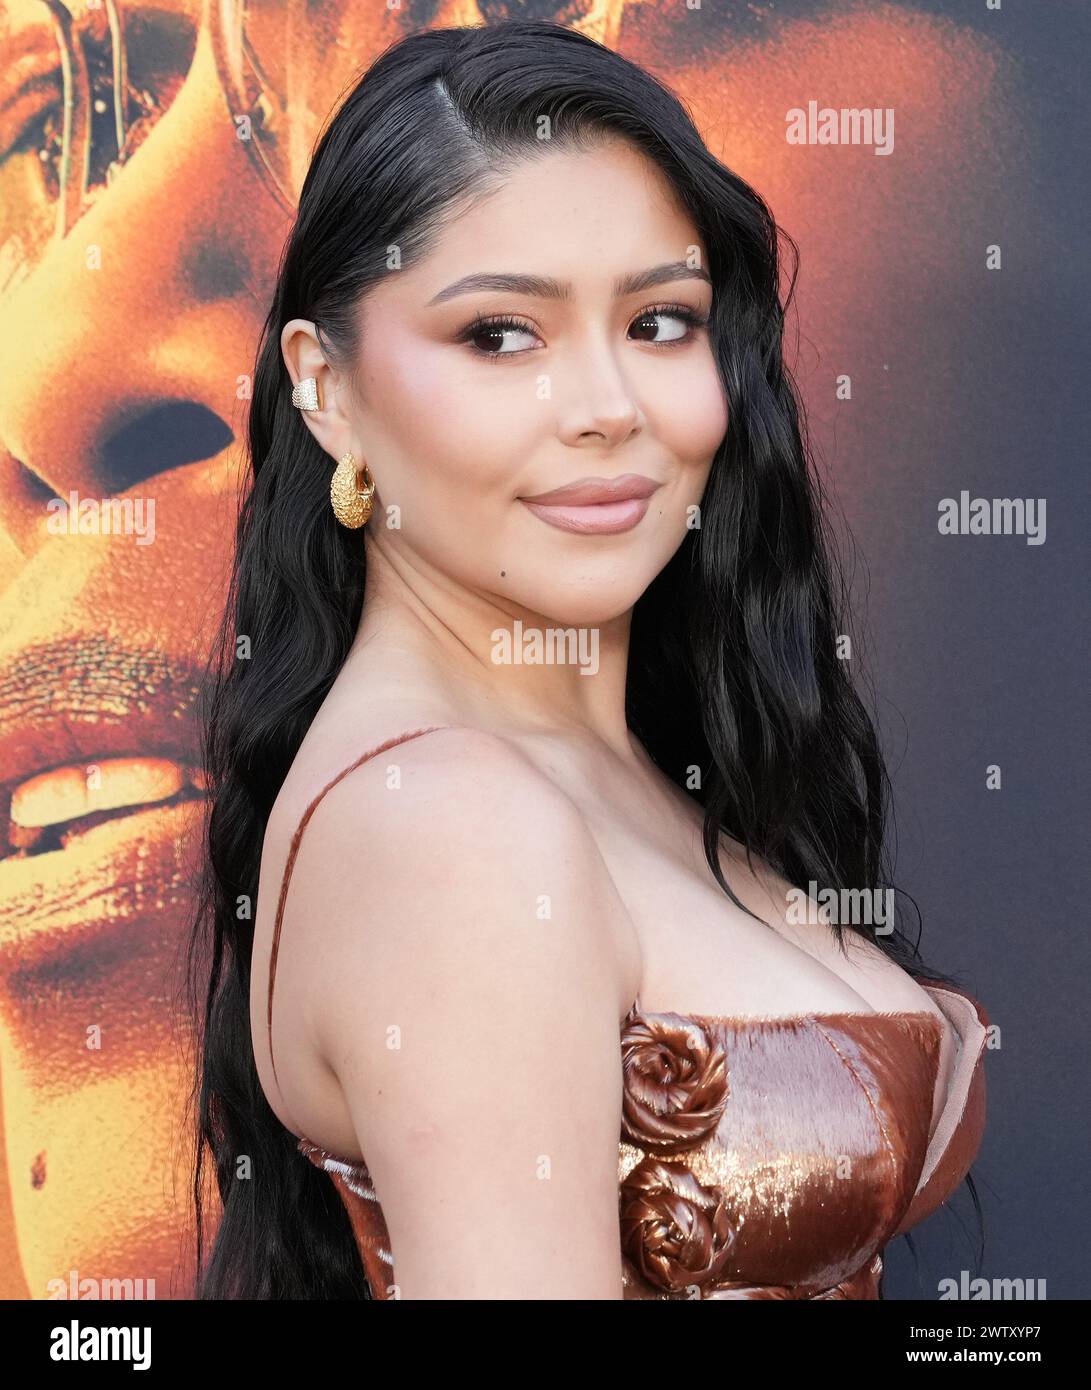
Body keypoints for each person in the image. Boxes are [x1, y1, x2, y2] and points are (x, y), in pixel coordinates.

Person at [188, 19, 988, 1300]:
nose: (608, 405)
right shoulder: (450, 823)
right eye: (501, 334)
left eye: (662, 322)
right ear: (325, 389)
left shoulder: (608, 765)